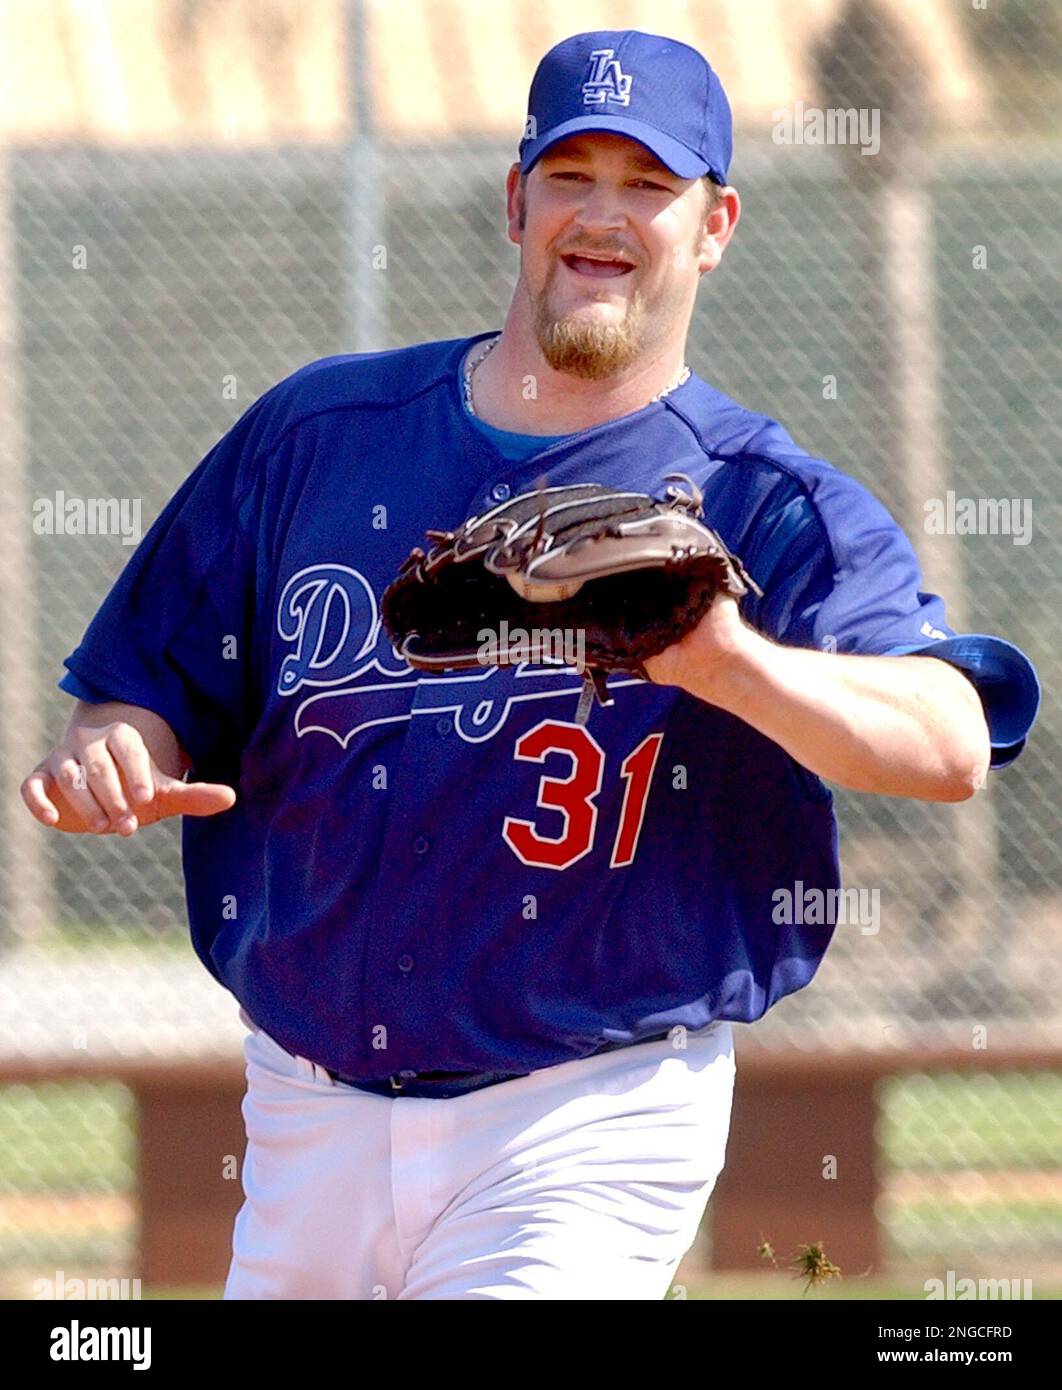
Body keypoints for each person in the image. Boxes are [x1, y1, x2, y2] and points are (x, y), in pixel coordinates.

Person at [21, 30, 1039, 1300]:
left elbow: (946, 744)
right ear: (517, 201)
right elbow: (140, 688)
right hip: (300, 1111)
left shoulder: (762, 502)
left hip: (588, 1113)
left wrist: (724, 663)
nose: (603, 216)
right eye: (573, 174)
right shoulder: (316, 437)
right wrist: (112, 753)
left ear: (715, 224)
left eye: (649, 185)